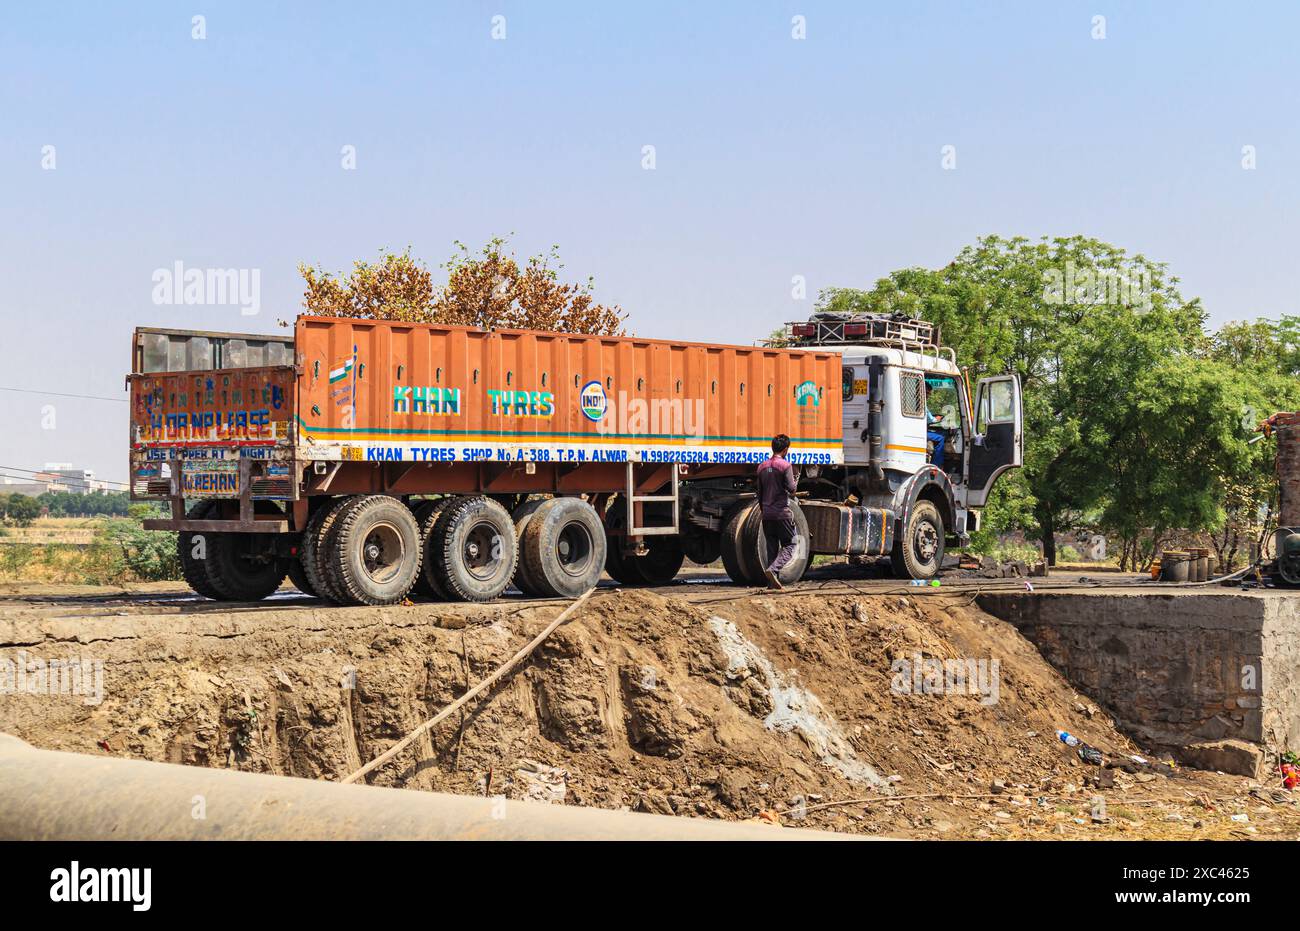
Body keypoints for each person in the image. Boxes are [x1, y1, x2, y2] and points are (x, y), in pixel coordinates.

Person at [756, 433, 798, 590]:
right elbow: (792, 489)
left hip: (767, 514)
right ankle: (773, 570)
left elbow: (759, 494)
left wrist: (763, 510)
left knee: (771, 548)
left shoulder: (761, 467)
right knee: (790, 544)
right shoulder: (786, 466)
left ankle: (771, 584)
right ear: (786, 449)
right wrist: (795, 478)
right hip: (781, 513)